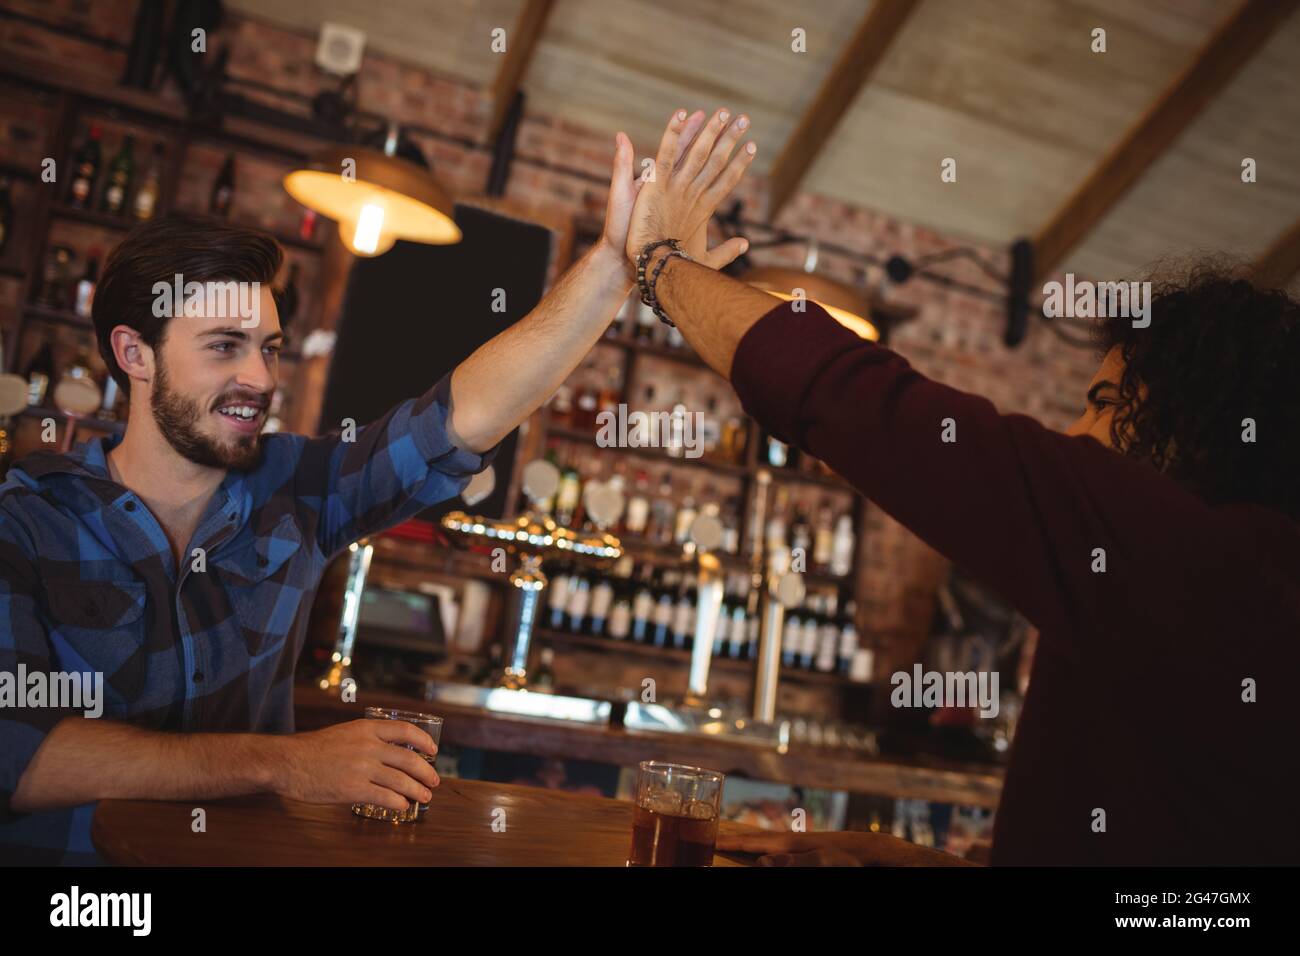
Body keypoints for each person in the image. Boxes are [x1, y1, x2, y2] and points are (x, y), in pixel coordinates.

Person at [0, 108, 756, 864]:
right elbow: (18, 756)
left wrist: (615, 268)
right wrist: (285, 763)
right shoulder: (30, 519)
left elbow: (459, 419)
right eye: (224, 347)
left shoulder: (292, 485)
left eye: (268, 348)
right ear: (134, 353)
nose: (260, 378)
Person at [619, 108, 1300, 865]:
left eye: (1104, 408)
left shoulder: (1196, 565)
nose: (1074, 436)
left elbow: (864, 403)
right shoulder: (1240, 586)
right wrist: (903, 860)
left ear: (1196, 423)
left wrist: (660, 266)